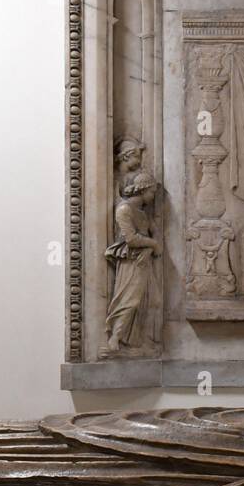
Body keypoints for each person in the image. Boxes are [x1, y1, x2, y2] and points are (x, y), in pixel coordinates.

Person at [104, 144, 161, 352]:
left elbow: (148, 231)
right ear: (143, 189)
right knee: (130, 300)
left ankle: (138, 340)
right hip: (131, 261)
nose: (153, 196)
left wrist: (154, 235)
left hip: (144, 262)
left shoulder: (141, 212)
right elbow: (131, 239)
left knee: (151, 301)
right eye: (152, 192)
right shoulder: (124, 209)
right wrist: (153, 243)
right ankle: (115, 339)